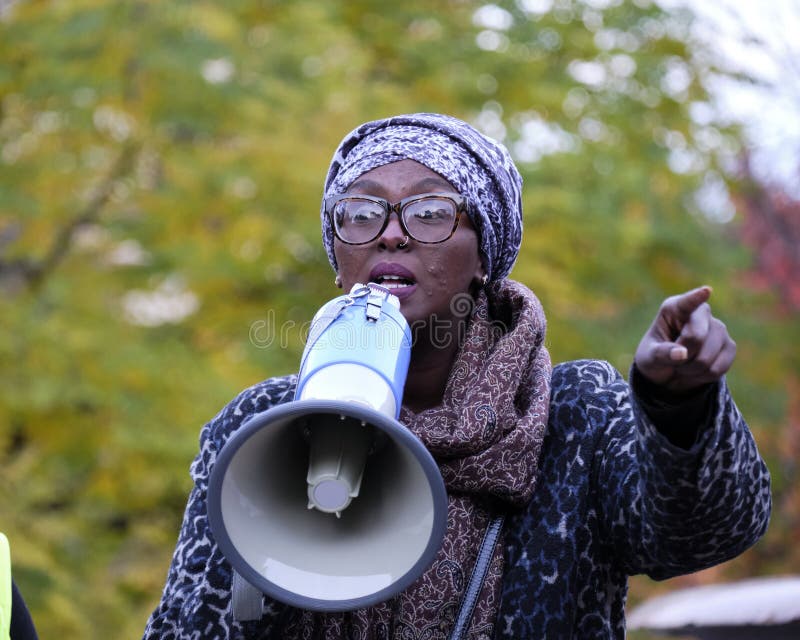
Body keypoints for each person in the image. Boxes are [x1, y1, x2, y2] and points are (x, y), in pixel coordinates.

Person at [143, 113, 771, 639]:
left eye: (430, 212)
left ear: (483, 255)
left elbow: (703, 533)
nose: (391, 233)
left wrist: (676, 406)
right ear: (338, 259)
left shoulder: (571, 413)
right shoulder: (260, 426)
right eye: (360, 214)